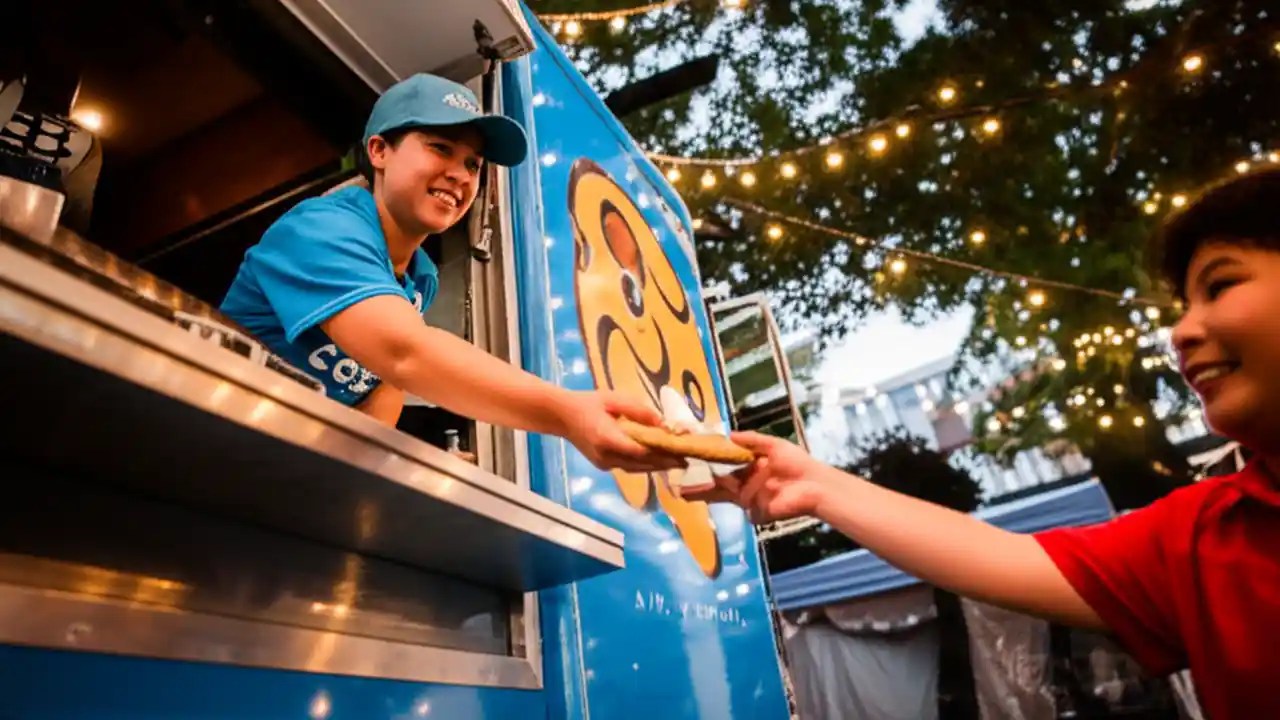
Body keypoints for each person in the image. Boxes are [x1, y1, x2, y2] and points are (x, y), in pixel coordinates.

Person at [689, 167, 1280, 719]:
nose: (1181, 331)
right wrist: (815, 486)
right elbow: (1008, 559)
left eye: (1220, 285)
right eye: (1184, 305)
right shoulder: (1203, 538)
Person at [221, 73, 679, 473]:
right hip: (218, 438)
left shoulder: (419, 277)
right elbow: (405, 354)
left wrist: (368, 474)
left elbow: (388, 385)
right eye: (440, 148)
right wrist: (567, 413)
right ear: (379, 151)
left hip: (279, 468)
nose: (461, 175)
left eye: (473, 164)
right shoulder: (323, 228)